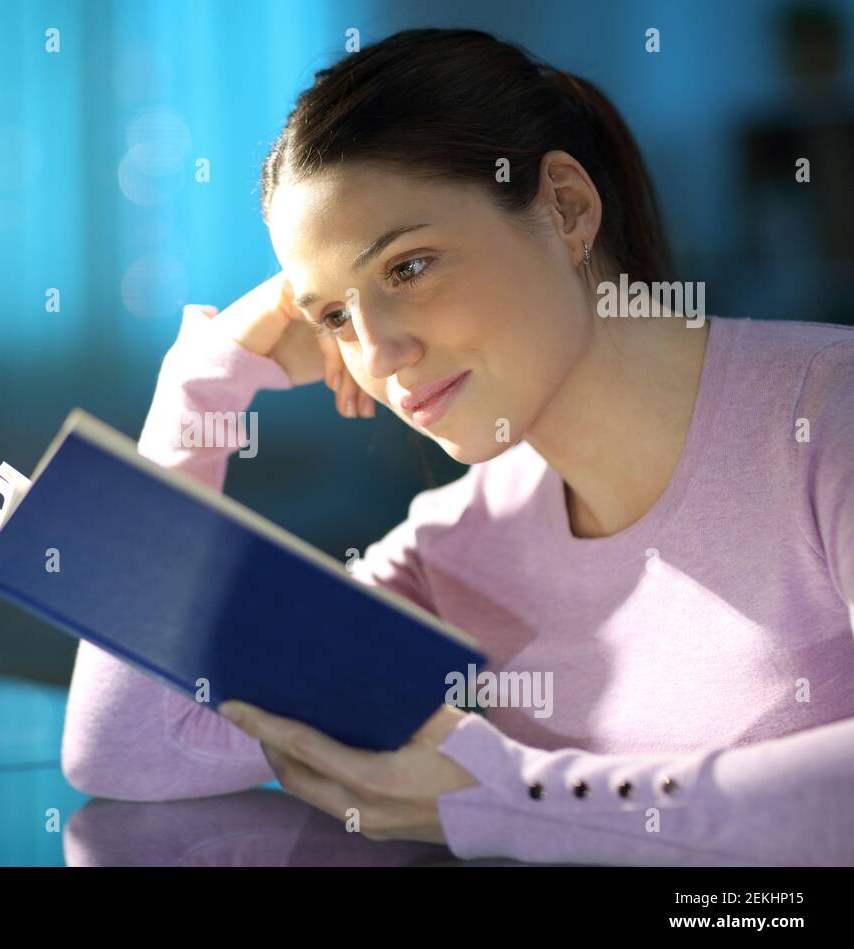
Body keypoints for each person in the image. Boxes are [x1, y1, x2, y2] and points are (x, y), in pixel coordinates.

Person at [61, 28, 854, 865]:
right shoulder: (454, 544)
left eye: (408, 268)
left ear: (566, 208)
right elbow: (133, 752)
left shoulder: (826, 417)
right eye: (333, 315)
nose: (379, 354)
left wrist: (512, 799)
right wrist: (199, 392)